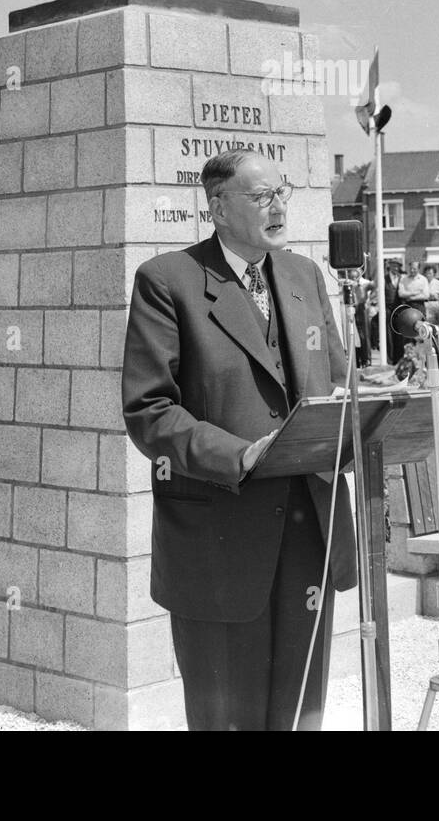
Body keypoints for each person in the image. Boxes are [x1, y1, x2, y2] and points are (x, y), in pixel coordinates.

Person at [122, 149, 357, 731]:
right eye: (261, 197)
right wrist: (239, 455)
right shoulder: (167, 281)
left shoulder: (305, 276)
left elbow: (332, 380)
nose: (278, 207)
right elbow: (148, 410)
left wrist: (380, 395)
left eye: (282, 193)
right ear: (219, 208)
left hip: (310, 526)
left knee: (301, 706)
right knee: (229, 714)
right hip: (219, 537)